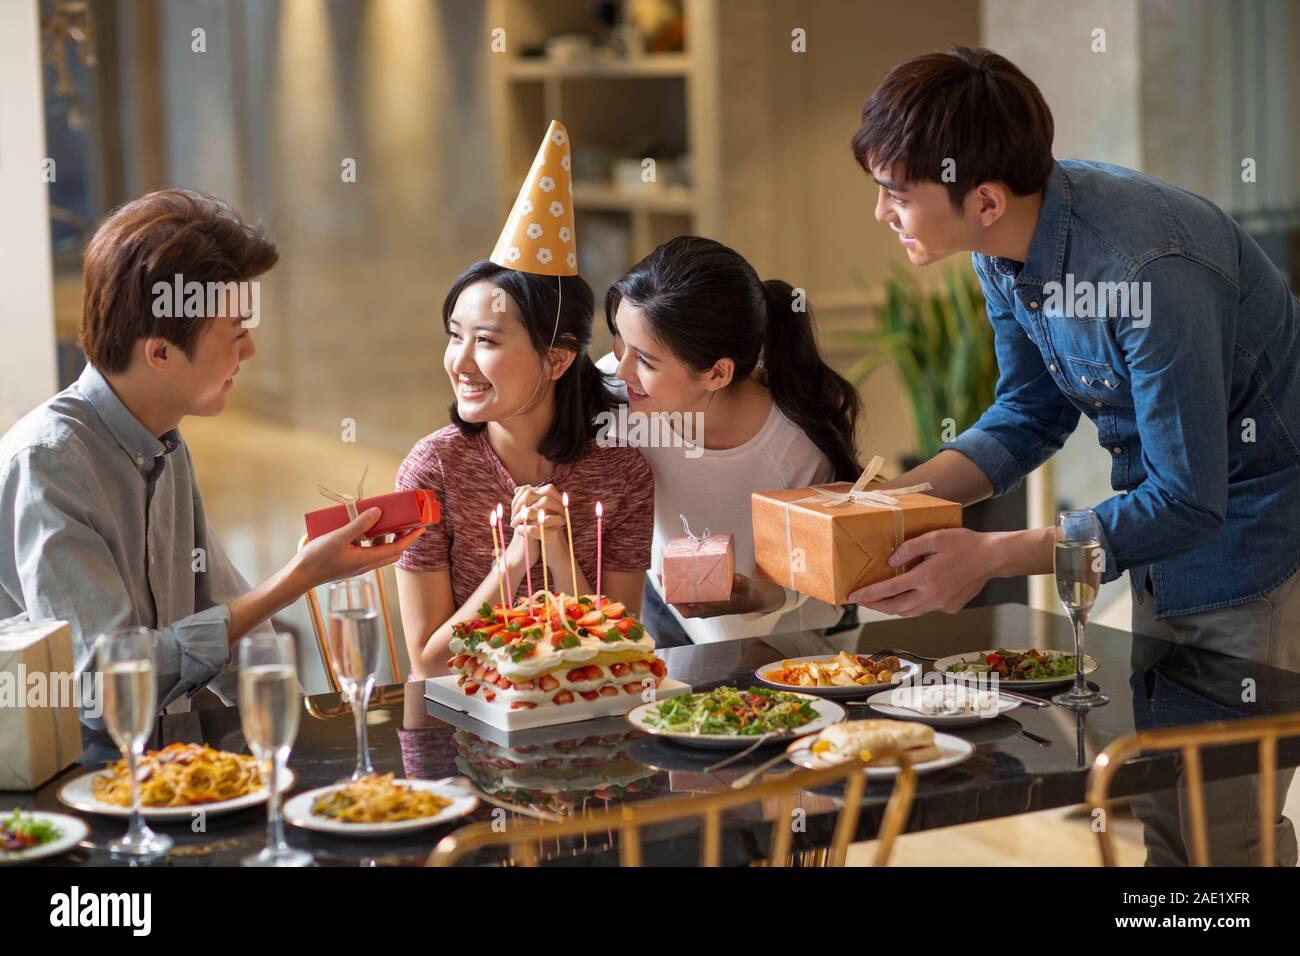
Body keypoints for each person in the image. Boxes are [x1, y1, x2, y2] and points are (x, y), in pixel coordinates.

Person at [847, 47, 1300, 865]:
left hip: (1253, 519)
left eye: (895, 193)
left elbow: (1190, 500)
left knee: (1217, 827)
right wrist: (891, 498)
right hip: (1173, 511)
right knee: (1168, 802)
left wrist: (993, 555)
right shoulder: (1004, 243)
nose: (881, 212)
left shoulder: (1147, 271)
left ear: (982, 199)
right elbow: (1027, 413)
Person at [0, 189, 422, 726]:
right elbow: (104, 690)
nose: (249, 352)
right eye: (237, 333)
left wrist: (293, 746)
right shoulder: (48, 463)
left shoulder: (164, 442)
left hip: (162, 770)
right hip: (70, 786)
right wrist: (297, 577)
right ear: (160, 352)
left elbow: (231, 625)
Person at [395, 122, 653, 680]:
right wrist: (515, 559)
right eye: (454, 334)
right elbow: (428, 663)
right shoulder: (432, 470)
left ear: (557, 359)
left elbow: (623, 652)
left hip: (586, 717)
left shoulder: (622, 470)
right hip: (468, 727)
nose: (459, 362)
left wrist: (557, 552)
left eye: (485, 341)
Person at [603, 235, 863, 645]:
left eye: (646, 360)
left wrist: (749, 596)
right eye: (620, 341)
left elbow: (808, 576)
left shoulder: (795, 446)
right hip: (670, 616)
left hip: (795, 634)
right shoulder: (617, 399)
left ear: (717, 374)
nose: (621, 370)